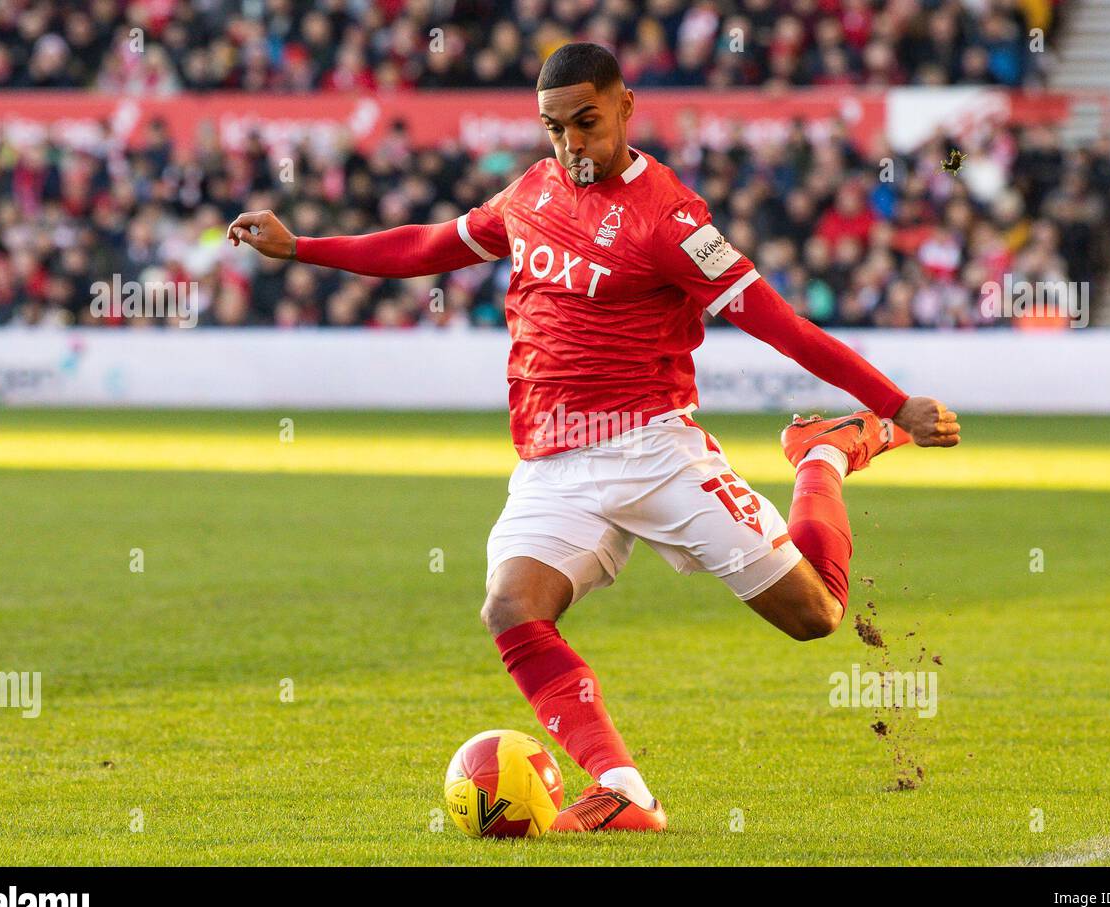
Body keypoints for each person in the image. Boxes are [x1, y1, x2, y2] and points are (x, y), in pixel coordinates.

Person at [228, 42, 960, 833]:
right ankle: (625, 792)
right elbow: (433, 245)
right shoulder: (532, 191)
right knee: (511, 609)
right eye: (554, 127)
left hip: (653, 452)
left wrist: (895, 402)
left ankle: (824, 453)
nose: (573, 144)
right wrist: (301, 247)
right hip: (552, 465)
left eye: (587, 122)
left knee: (815, 615)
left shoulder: (675, 220)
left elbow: (778, 323)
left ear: (624, 108)